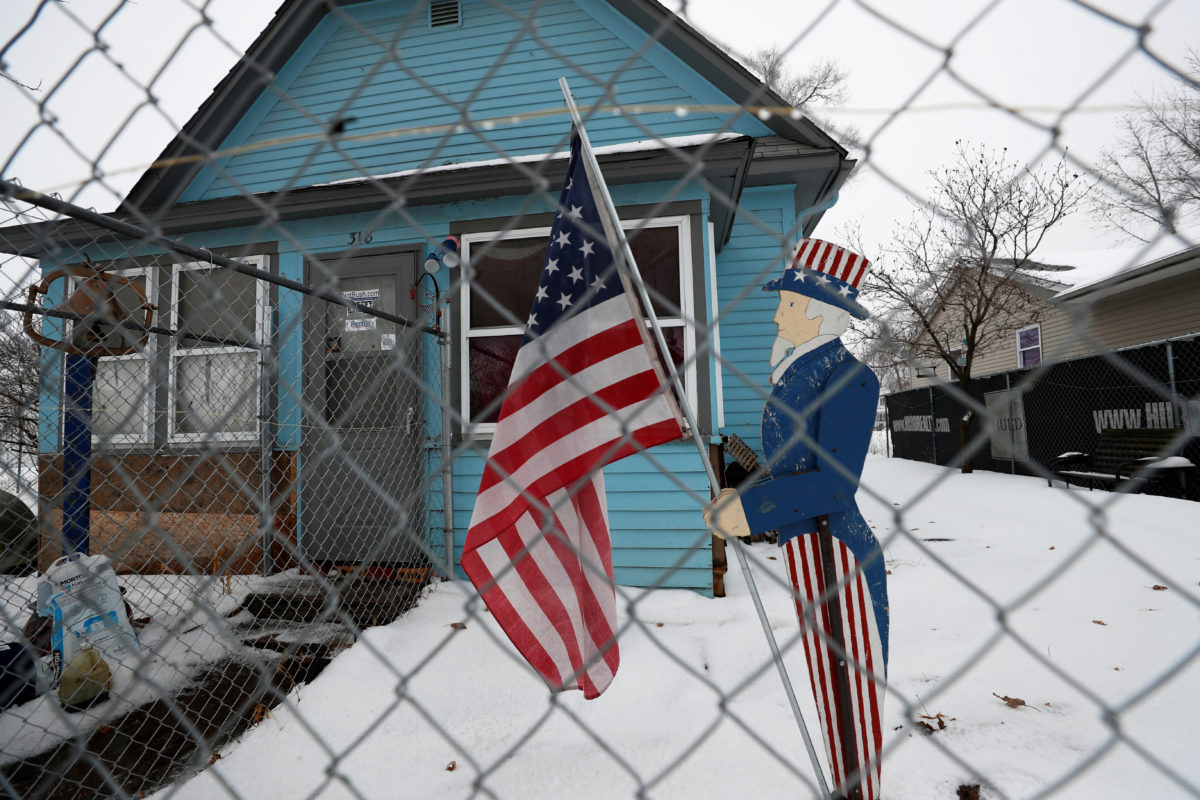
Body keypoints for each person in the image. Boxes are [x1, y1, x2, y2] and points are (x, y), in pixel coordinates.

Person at [704, 239, 886, 800]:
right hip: (807, 548)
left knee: (850, 696)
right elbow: (788, 468)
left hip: (839, 554)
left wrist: (751, 509)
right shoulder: (794, 377)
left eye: (787, 303)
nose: (778, 313)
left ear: (820, 313)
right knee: (826, 688)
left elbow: (835, 483)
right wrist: (743, 498)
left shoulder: (849, 379)